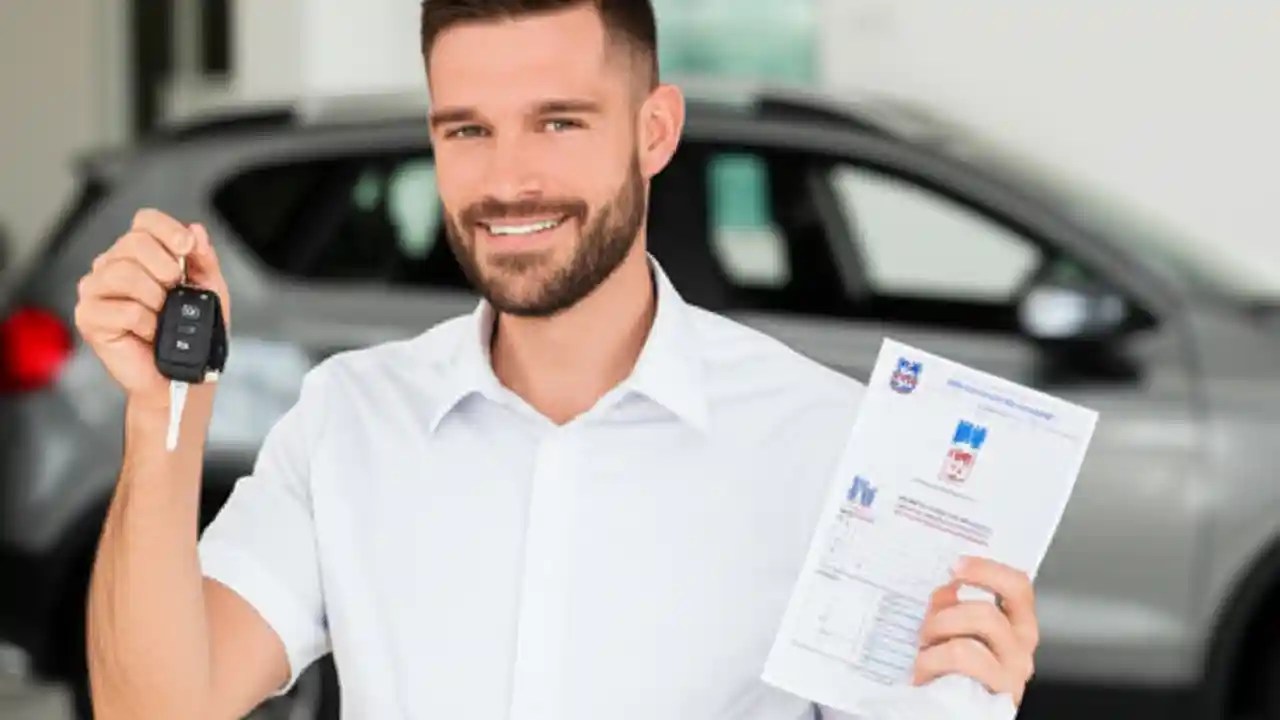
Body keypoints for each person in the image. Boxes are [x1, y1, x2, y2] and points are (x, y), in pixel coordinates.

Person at [76, 1, 1039, 717]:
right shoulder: (346, 420)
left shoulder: (832, 445)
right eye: (469, 130)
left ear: (654, 131)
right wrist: (165, 414)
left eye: (559, 122)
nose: (507, 180)